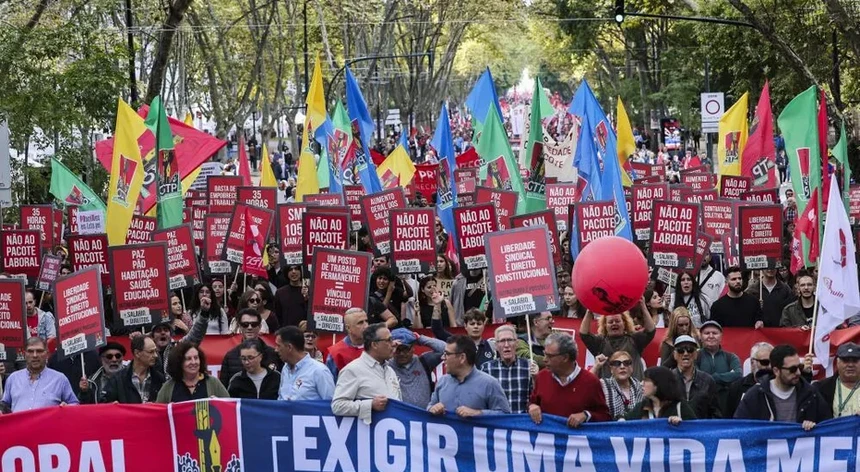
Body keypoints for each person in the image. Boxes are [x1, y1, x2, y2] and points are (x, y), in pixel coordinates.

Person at [734, 344, 831, 430]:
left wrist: (815, 427)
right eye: (792, 369)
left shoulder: (810, 393)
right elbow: (740, 428)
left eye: (799, 367)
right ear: (776, 371)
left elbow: (827, 426)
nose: (798, 372)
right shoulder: (756, 394)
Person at [528, 332, 611, 427]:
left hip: (576, 439)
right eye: (544, 354)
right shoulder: (542, 377)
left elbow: (604, 416)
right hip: (547, 439)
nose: (544, 359)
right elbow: (533, 402)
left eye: (550, 356)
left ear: (565, 357)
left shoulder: (591, 382)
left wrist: (586, 415)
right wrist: (532, 406)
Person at [331, 323, 401, 424]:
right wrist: (370, 405)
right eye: (388, 340)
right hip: (367, 434)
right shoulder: (353, 370)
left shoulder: (390, 371)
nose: (393, 343)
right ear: (374, 345)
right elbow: (337, 406)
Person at [428, 335, 511, 416]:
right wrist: (432, 409)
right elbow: (430, 408)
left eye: (447, 354)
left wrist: (478, 413)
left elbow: (505, 415)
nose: (443, 357)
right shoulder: (442, 382)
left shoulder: (490, 384)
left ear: (462, 358)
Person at [580, 298, 655, 380]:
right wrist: (589, 311)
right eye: (610, 322)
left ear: (624, 323)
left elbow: (650, 330)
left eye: (617, 321)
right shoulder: (600, 342)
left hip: (634, 390)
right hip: (608, 390)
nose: (614, 323)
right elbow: (584, 334)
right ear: (605, 325)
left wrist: (643, 306)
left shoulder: (634, 339)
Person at [1, 337, 78, 413]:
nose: (35, 355)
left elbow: (75, 404)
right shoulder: (13, 379)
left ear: (47, 354)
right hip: (19, 425)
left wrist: (67, 407)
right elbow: (5, 406)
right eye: (30, 351)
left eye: (39, 351)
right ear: (24, 354)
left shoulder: (60, 379)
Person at [219, 308, 282, 386]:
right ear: (239, 326)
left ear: (260, 326)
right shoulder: (230, 356)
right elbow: (224, 388)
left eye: (254, 324)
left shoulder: (274, 353)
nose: (249, 327)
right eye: (245, 324)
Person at [387, 328, 447, 408]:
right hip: (399, 417)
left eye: (405, 349)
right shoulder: (386, 365)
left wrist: (420, 338)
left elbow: (445, 349)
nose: (401, 354)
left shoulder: (424, 361)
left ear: (413, 348)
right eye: (398, 349)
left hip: (423, 417)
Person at [480, 325, 534, 413]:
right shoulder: (486, 369)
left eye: (509, 340)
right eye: (502, 341)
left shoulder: (529, 366)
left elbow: (536, 398)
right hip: (497, 423)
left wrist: (535, 377)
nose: (506, 345)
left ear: (516, 343)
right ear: (496, 346)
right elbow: (481, 400)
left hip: (521, 423)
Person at [275, 326, 335, 401]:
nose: (276, 350)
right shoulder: (285, 369)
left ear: (289, 347)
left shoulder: (320, 371)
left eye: (278, 346)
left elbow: (330, 404)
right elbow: (281, 398)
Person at [156, 342, 229, 402]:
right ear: (179, 362)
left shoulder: (213, 383)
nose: (193, 362)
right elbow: (158, 413)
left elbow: (229, 407)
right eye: (188, 359)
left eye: (196, 358)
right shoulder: (168, 387)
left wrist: (219, 403)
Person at [102, 335, 164, 404]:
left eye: (156, 351)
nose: (155, 355)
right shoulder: (117, 379)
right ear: (137, 353)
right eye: (151, 352)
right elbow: (105, 405)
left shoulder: (159, 378)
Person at [671, 335, 721, 419]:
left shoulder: (708, 381)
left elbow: (715, 413)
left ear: (696, 354)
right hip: (675, 430)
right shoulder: (667, 379)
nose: (685, 353)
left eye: (690, 349)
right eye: (680, 350)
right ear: (675, 355)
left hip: (701, 430)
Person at [625, 366, 696, 423]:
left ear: (659, 384)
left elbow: (696, 429)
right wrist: (621, 419)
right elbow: (625, 421)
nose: (641, 384)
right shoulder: (642, 406)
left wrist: (682, 425)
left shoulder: (680, 407)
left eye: (646, 380)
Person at [150, 309, 209, 378]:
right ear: (152, 336)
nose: (163, 333)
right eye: (158, 331)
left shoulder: (177, 347)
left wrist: (204, 314)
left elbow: (195, 335)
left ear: (170, 334)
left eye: (166, 330)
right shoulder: (146, 351)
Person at [593, 350, 644, 420]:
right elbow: (584, 387)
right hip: (611, 429)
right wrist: (596, 367)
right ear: (611, 369)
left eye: (626, 363)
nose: (622, 367)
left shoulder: (641, 387)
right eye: (617, 363)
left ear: (631, 368)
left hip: (637, 429)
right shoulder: (603, 385)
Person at [726, 342, 773, 418]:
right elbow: (729, 417)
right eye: (765, 362)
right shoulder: (737, 387)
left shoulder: (780, 386)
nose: (769, 366)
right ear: (752, 362)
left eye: (773, 362)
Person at [814, 342, 860, 417]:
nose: (850, 365)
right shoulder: (821, 388)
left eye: (855, 361)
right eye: (846, 360)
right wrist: (806, 375)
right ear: (837, 363)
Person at [326, 308, 369, 378]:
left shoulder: (376, 346)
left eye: (366, 321)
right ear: (348, 328)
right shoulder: (336, 353)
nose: (366, 326)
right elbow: (330, 383)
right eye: (360, 323)